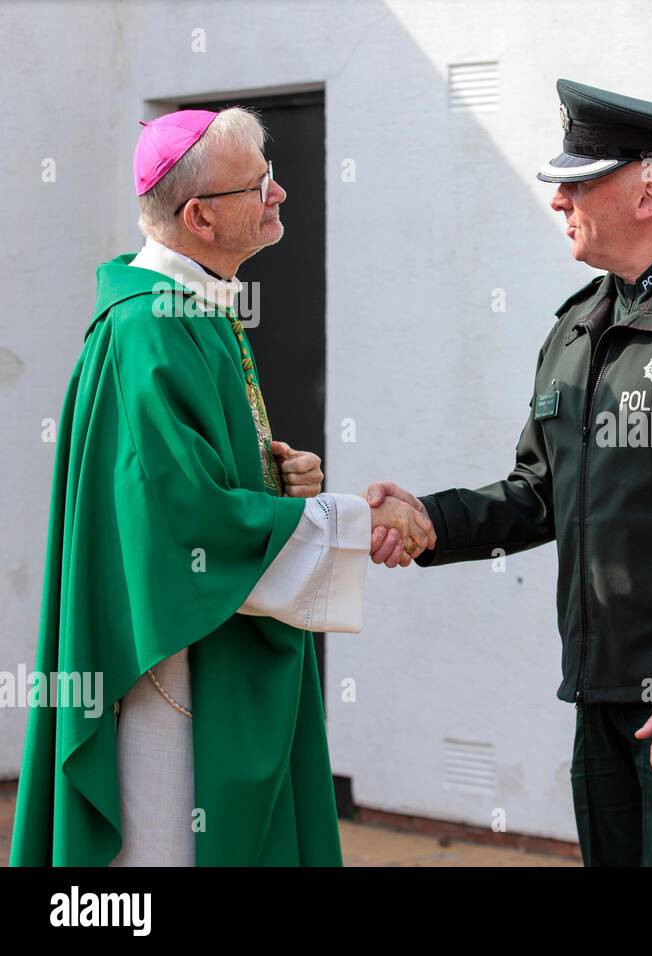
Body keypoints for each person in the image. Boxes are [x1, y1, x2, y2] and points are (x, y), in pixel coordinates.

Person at [369, 78, 652, 866]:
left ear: (647, 189)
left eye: (576, 182)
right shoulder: (580, 328)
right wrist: (431, 521)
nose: (558, 201)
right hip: (602, 687)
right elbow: (541, 491)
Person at [9, 108, 433, 866]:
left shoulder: (198, 305)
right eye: (260, 182)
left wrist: (279, 480)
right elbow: (186, 521)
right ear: (199, 216)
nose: (281, 192)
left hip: (209, 645)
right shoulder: (147, 331)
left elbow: (201, 476)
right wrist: (351, 522)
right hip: (168, 663)